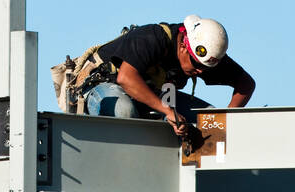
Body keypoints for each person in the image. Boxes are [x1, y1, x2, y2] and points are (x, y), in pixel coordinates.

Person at [58, 16, 255, 141]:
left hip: (150, 96)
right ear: (183, 46)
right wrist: (167, 111)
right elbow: (126, 78)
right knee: (124, 111)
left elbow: (246, 84)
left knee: (212, 124)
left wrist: (226, 121)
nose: (200, 71)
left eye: (205, 67)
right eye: (196, 65)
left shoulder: (207, 54)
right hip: (104, 88)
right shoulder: (154, 38)